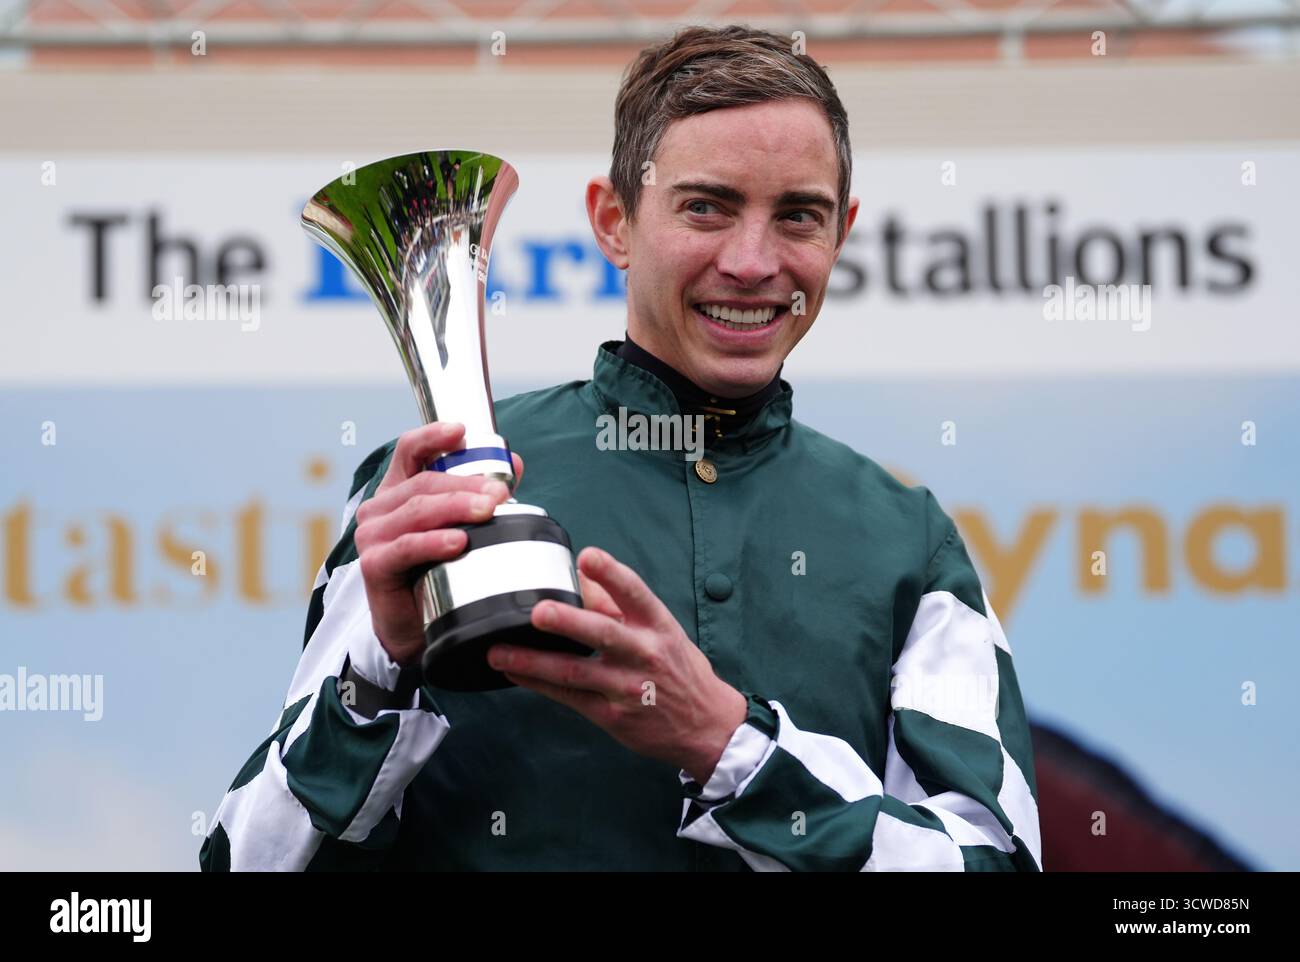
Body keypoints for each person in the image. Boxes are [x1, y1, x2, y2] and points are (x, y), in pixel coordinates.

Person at [200, 24, 1041, 872]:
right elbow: (242, 862)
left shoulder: (907, 538)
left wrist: (727, 744)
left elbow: (995, 864)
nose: (753, 263)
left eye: (797, 216)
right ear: (615, 222)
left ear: (842, 232)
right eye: (705, 206)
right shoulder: (422, 495)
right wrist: (377, 674)